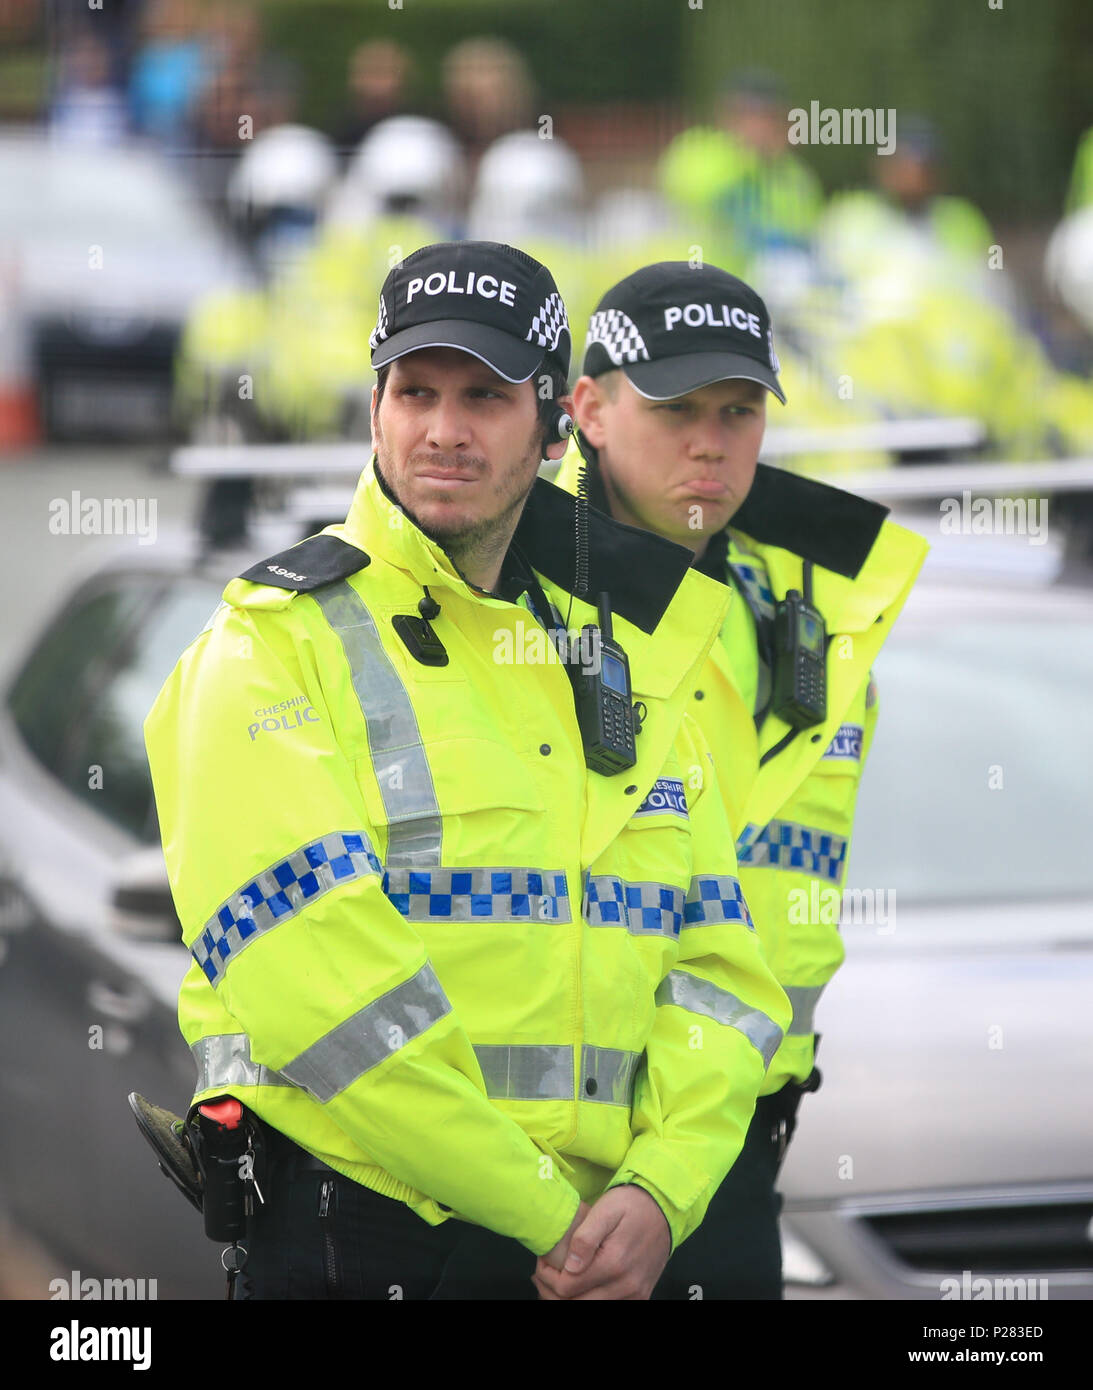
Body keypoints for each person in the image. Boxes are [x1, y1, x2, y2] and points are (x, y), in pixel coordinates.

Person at [143, 241, 790, 1301]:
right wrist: (551, 1214)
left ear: (548, 426)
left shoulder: (613, 653)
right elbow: (329, 999)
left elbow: (721, 969)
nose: (443, 430)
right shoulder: (269, 644)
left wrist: (662, 1192)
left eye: (484, 397)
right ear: (374, 409)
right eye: (416, 392)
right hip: (368, 1236)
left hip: (587, 1246)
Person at [552, 260, 928, 1298]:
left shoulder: (820, 619)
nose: (710, 442)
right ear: (588, 408)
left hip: (735, 1137)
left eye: (739, 408)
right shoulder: (500, 599)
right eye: (674, 409)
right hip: (544, 1153)